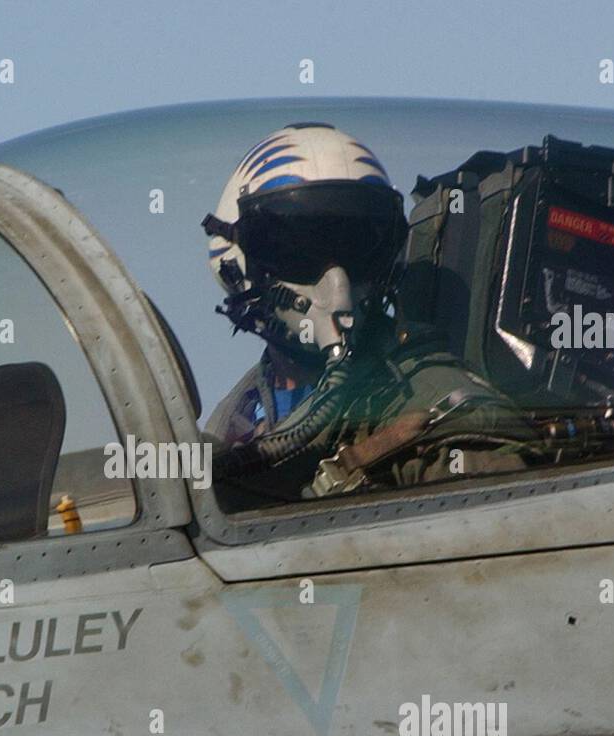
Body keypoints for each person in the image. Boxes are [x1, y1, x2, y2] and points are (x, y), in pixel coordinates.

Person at [202, 123, 538, 502]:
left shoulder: (447, 424)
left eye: (359, 249)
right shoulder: (238, 415)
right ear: (234, 262)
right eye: (299, 249)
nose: (337, 284)